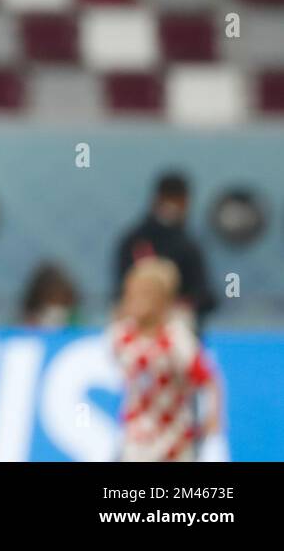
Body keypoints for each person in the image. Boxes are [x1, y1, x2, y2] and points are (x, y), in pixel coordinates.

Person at [108, 257, 221, 461]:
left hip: (173, 437)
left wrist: (213, 415)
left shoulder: (177, 339)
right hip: (136, 436)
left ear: (163, 300)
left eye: (146, 294)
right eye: (132, 294)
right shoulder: (120, 337)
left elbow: (208, 379)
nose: (136, 301)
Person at [115, 172, 217, 332]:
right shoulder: (184, 244)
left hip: (175, 324)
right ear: (184, 201)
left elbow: (204, 297)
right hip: (143, 324)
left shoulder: (187, 242)